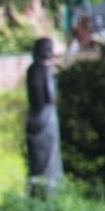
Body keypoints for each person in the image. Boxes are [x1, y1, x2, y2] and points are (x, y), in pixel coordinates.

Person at [26, 37, 63, 194]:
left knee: (37, 159)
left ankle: (38, 189)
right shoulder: (46, 70)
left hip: (33, 116)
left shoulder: (31, 69)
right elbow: (50, 96)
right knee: (49, 158)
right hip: (46, 118)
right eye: (48, 48)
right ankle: (49, 190)